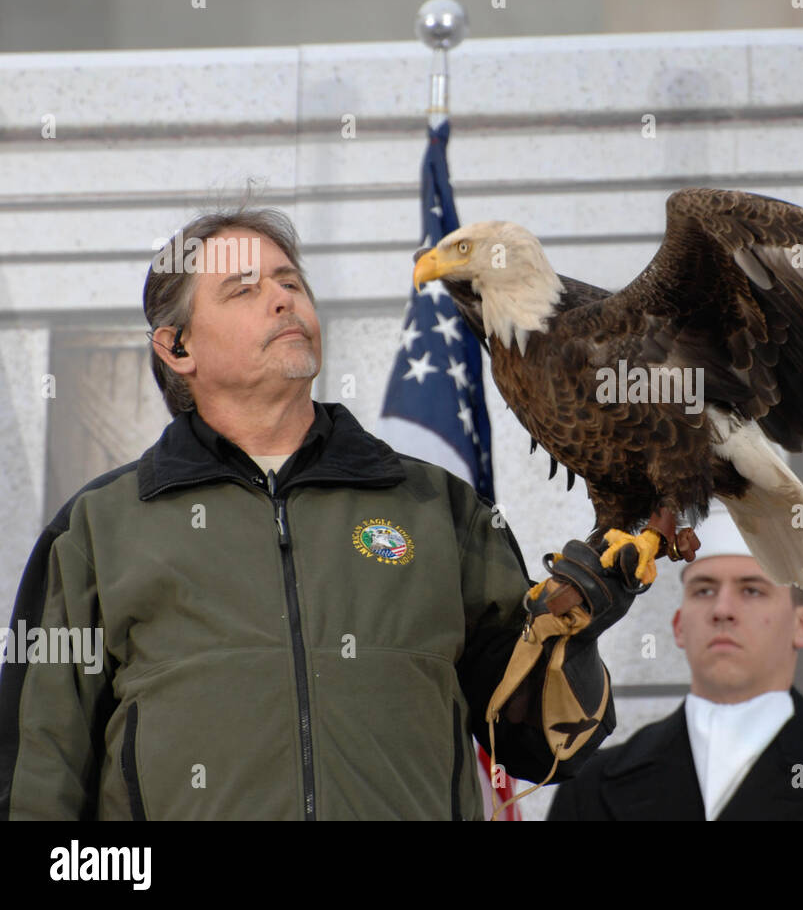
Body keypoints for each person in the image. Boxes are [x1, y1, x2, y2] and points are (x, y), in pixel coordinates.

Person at [0, 206, 646, 820]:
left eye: (290, 281)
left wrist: (576, 638)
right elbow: (36, 770)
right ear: (176, 347)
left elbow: (541, 747)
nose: (283, 299)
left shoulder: (439, 508)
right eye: (243, 289)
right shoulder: (96, 530)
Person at [547, 505, 803, 821]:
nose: (723, 610)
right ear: (679, 626)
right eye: (704, 591)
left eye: (752, 591)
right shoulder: (593, 788)